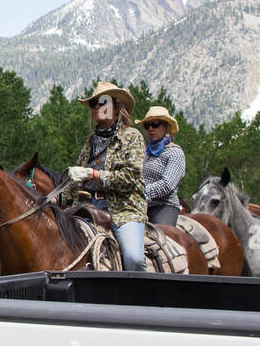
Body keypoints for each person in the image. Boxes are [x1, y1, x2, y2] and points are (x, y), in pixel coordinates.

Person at [62, 81, 147, 272]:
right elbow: (76, 179)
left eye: (104, 102)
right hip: (88, 208)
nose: (98, 107)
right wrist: (58, 200)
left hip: (124, 211)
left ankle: (141, 296)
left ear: (117, 108)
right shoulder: (91, 141)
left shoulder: (131, 137)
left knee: (133, 258)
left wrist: (94, 174)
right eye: (94, 104)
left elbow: (130, 178)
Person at [136, 105, 185, 226]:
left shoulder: (175, 152)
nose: (151, 129)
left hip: (164, 206)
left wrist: (140, 192)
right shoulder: (142, 152)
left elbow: (168, 184)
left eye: (156, 124)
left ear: (166, 126)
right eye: (147, 126)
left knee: (160, 241)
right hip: (139, 205)